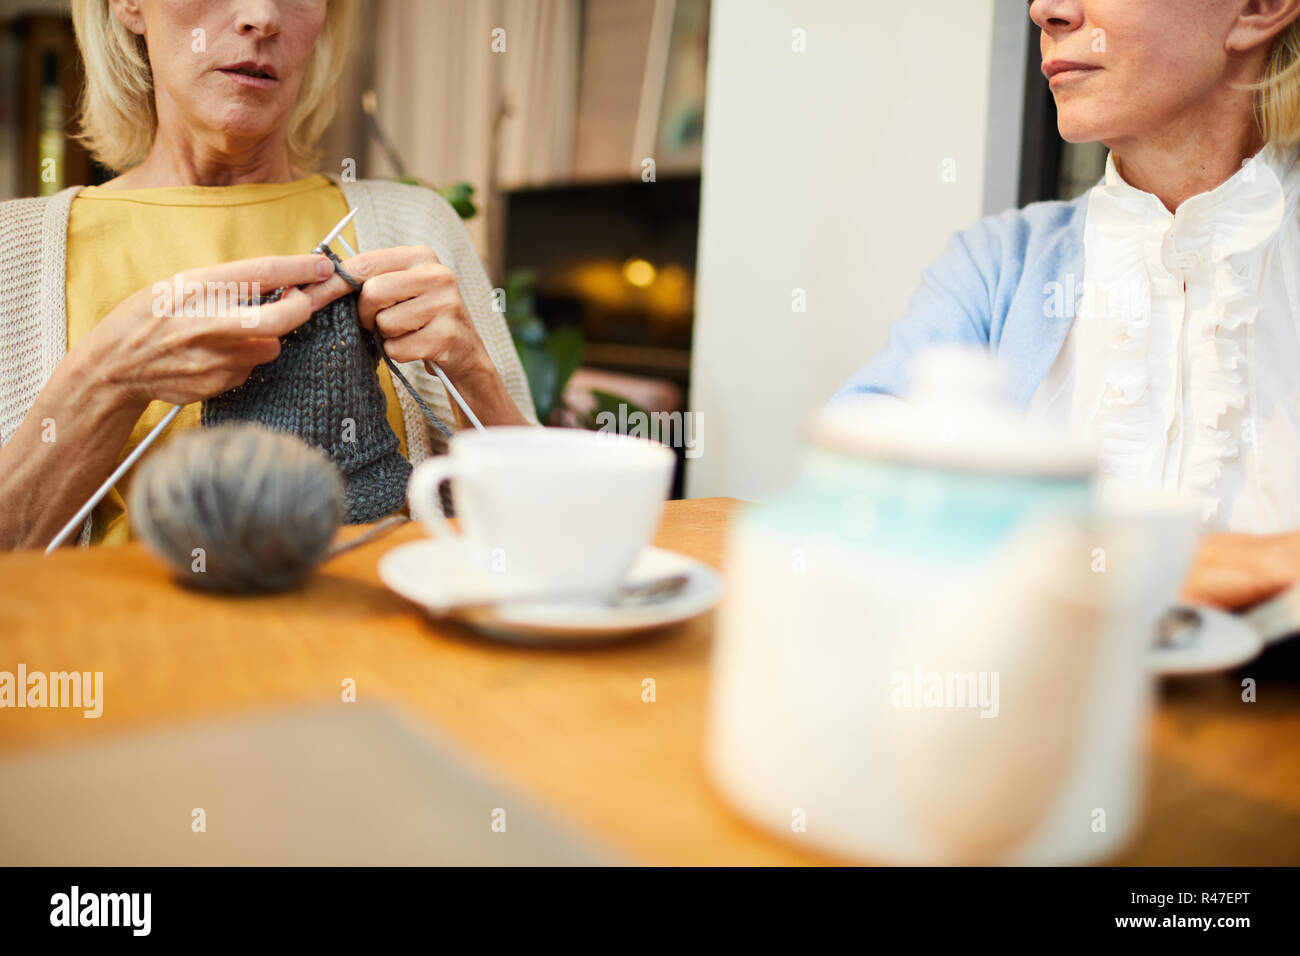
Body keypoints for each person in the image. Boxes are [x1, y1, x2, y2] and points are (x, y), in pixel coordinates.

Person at [0, 0, 535, 550]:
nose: (262, 16)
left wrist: (471, 371)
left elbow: (540, 526)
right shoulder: (12, 249)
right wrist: (105, 378)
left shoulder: (415, 223)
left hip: (382, 629)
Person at [837, 0, 1300, 610]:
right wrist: (1187, 563)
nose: (1045, 10)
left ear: (1259, 9)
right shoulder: (997, 265)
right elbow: (851, 492)